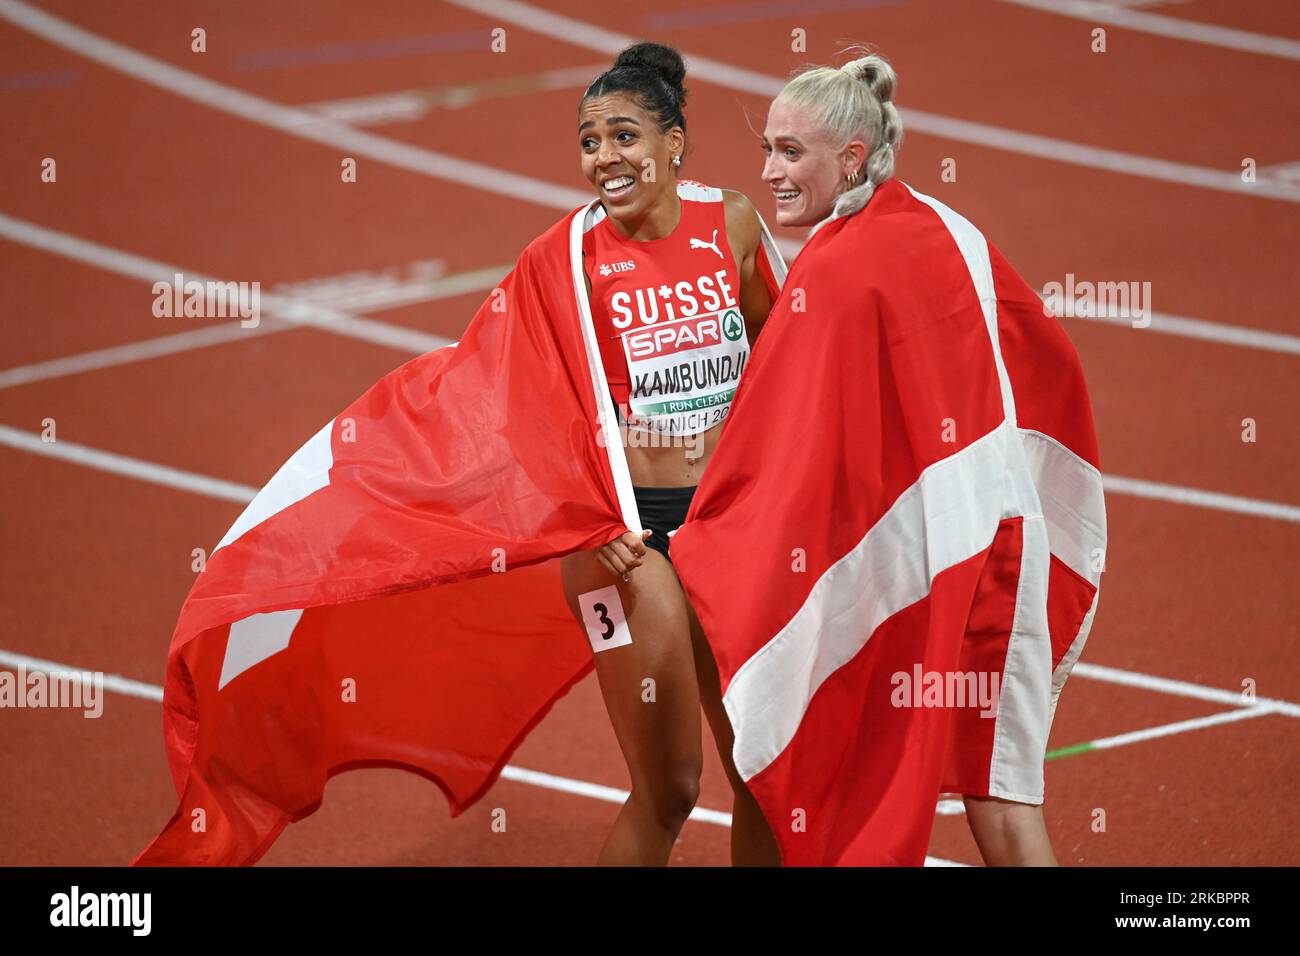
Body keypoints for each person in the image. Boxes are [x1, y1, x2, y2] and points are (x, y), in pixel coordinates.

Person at [668, 49, 1106, 866]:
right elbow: (1044, 355)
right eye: (767, 149)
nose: (769, 172)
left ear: (853, 157)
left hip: (927, 566)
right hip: (1009, 546)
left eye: (790, 152)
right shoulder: (951, 228)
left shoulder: (832, 272)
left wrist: (706, 533)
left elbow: (785, 439)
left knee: (852, 776)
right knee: (1004, 802)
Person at [561, 41, 785, 866]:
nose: (604, 160)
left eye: (623, 136)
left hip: (728, 523)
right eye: (589, 142)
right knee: (671, 788)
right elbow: (527, 407)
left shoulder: (729, 221)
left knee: (761, 767)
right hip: (625, 543)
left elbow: (786, 351)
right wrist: (585, 517)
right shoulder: (573, 258)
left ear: (672, 143)